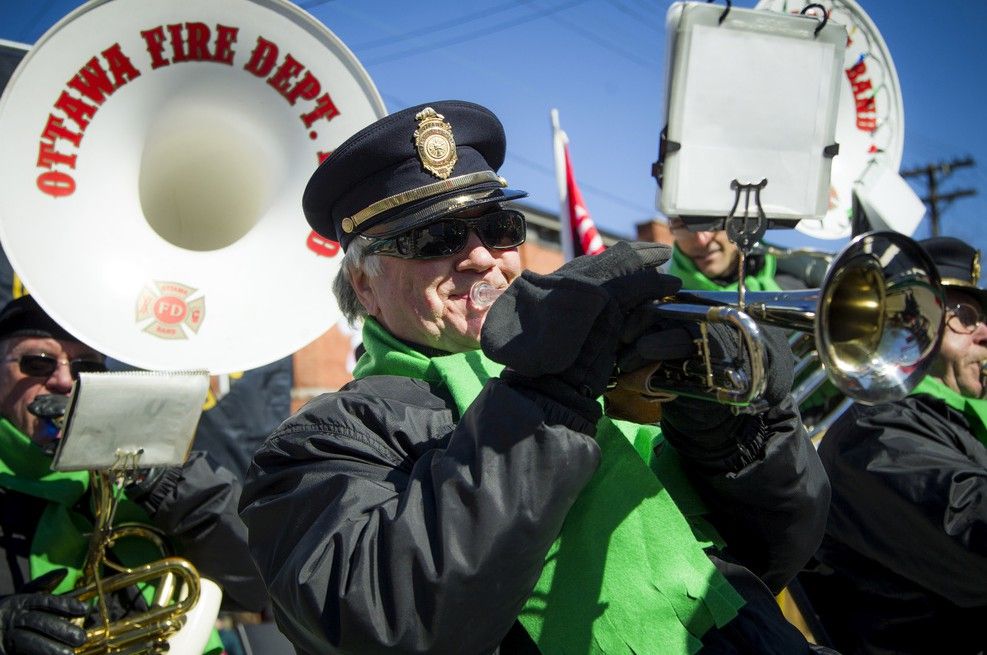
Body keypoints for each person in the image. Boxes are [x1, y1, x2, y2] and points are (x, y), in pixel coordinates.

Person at [239, 100, 832, 654]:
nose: (480, 256)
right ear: (363, 284)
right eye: (436, 238)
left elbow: (780, 548)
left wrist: (737, 426)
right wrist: (550, 392)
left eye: (498, 228)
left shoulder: (608, 378)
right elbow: (391, 624)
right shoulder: (317, 445)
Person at [0, 295, 268, 655]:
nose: (65, 380)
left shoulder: (149, 467)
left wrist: (163, 477)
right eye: (37, 363)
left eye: (86, 366)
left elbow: (255, 582)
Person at [800, 236, 987, 654]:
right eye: (965, 316)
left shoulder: (962, 426)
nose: (985, 333)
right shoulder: (877, 425)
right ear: (909, 318)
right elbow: (969, 518)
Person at [666, 217, 823, 292]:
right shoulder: (664, 295)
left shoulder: (803, 270)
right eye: (683, 226)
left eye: (713, 223)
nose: (701, 240)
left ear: (741, 224)